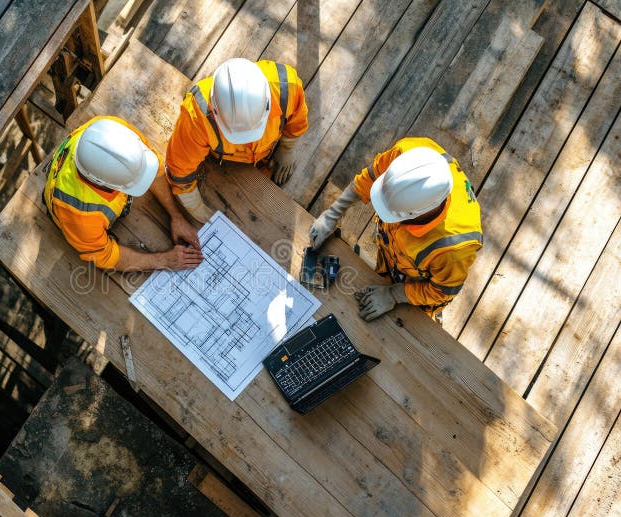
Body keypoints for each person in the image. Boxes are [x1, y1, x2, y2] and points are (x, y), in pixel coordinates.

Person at [309, 138, 482, 322]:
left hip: (417, 282)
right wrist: (332, 214)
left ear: (416, 214)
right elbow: (369, 177)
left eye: (392, 212)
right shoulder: (408, 154)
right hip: (391, 248)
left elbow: (441, 291)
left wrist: (395, 295)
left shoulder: (453, 251)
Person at [44, 116, 203, 271]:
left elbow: (152, 169)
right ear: (103, 184)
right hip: (73, 222)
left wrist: (176, 216)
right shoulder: (79, 215)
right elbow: (105, 256)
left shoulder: (113, 131)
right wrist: (163, 260)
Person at [165, 57, 309, 222]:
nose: (244, 141)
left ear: (267, 102)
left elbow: (297, 119)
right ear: (214, 111)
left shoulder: (287, 88)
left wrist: (287, 148)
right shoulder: (196, 117)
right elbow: (180, 168)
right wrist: (194, 205)